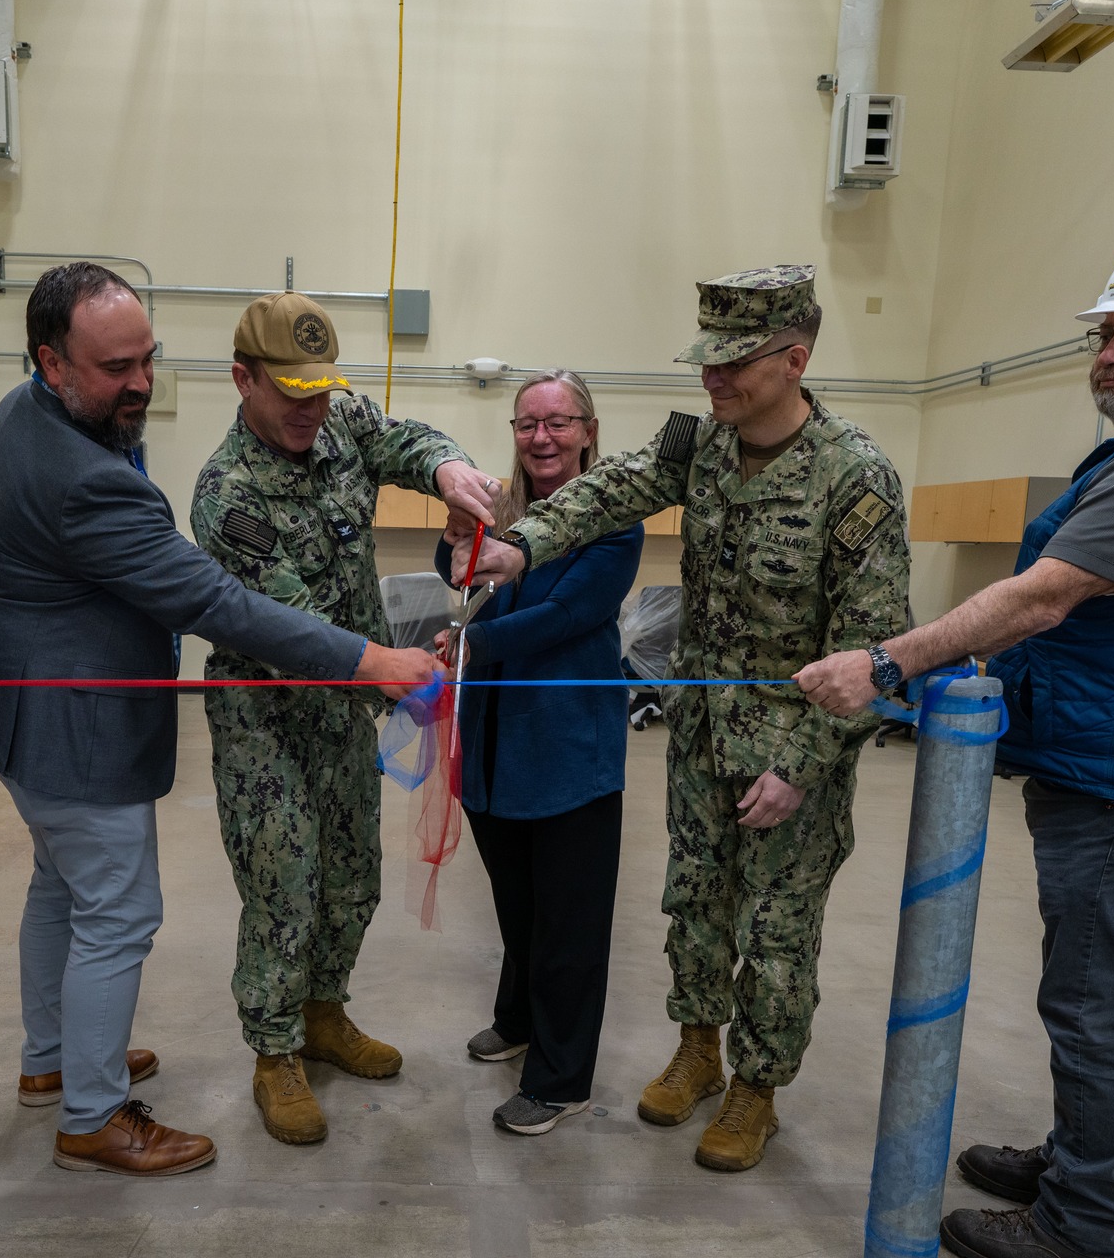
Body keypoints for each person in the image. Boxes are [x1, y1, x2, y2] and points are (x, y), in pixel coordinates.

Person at [797, 224, 1114, 1258]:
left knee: (1097, 1008)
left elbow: (1042, 594)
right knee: (1089, 993)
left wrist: (886, 663)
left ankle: (1087, 1229)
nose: (1108, 355)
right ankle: (1077, 1170)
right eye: (1105, 334)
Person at [0, 265, 443, 1176]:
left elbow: (392, 441)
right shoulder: (100, 479)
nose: (141, 382)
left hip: (28, 701)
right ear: (51, 361)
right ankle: (93, 1114)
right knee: (118, 910)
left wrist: (448, 463)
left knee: (61, 891)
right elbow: (215, 600)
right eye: (117, 367)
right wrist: (376, 662)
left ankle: (53, 1061)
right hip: (74, 721)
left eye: (147, 358)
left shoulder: (32, 411)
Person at [451, 266, 910, 1170]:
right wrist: (519, 543)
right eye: (706, 362)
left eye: (732, 365)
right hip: (700, 738)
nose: (712, 381)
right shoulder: (699, 448)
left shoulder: (857, 478)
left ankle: (756, 1087)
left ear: (794, 359)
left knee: (776, 932)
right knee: (694, 908)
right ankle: (700, 1048)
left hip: (789, 744)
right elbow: (602, 491)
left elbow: (871, 650)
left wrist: (804, 765)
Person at [187, 292, 497, 1145]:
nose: (310, 411)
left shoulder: (337, 417)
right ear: (242, 379)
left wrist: (446, 471)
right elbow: (294, 630)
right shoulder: (227, 498)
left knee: (352, 874)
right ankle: (275, 1051)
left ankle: (325, 1012)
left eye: (321, 392)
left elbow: (402, 437)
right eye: (291, 394)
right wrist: (395, 676)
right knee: (284, 882)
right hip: (269, 720)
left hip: (346, 714)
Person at [433, 370, 642, 1136]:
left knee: (569, 926)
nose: (542, 437)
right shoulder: (499, 505)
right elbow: (459, 570)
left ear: (589, 429)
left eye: (559, 422)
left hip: (568, 752)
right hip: (494, 748)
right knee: (517, 907)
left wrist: (468, 642)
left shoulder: (615, 519)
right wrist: (451, 542)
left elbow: (566, 612)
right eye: (528, 423)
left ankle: (560, 1081)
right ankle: (518, 1019)